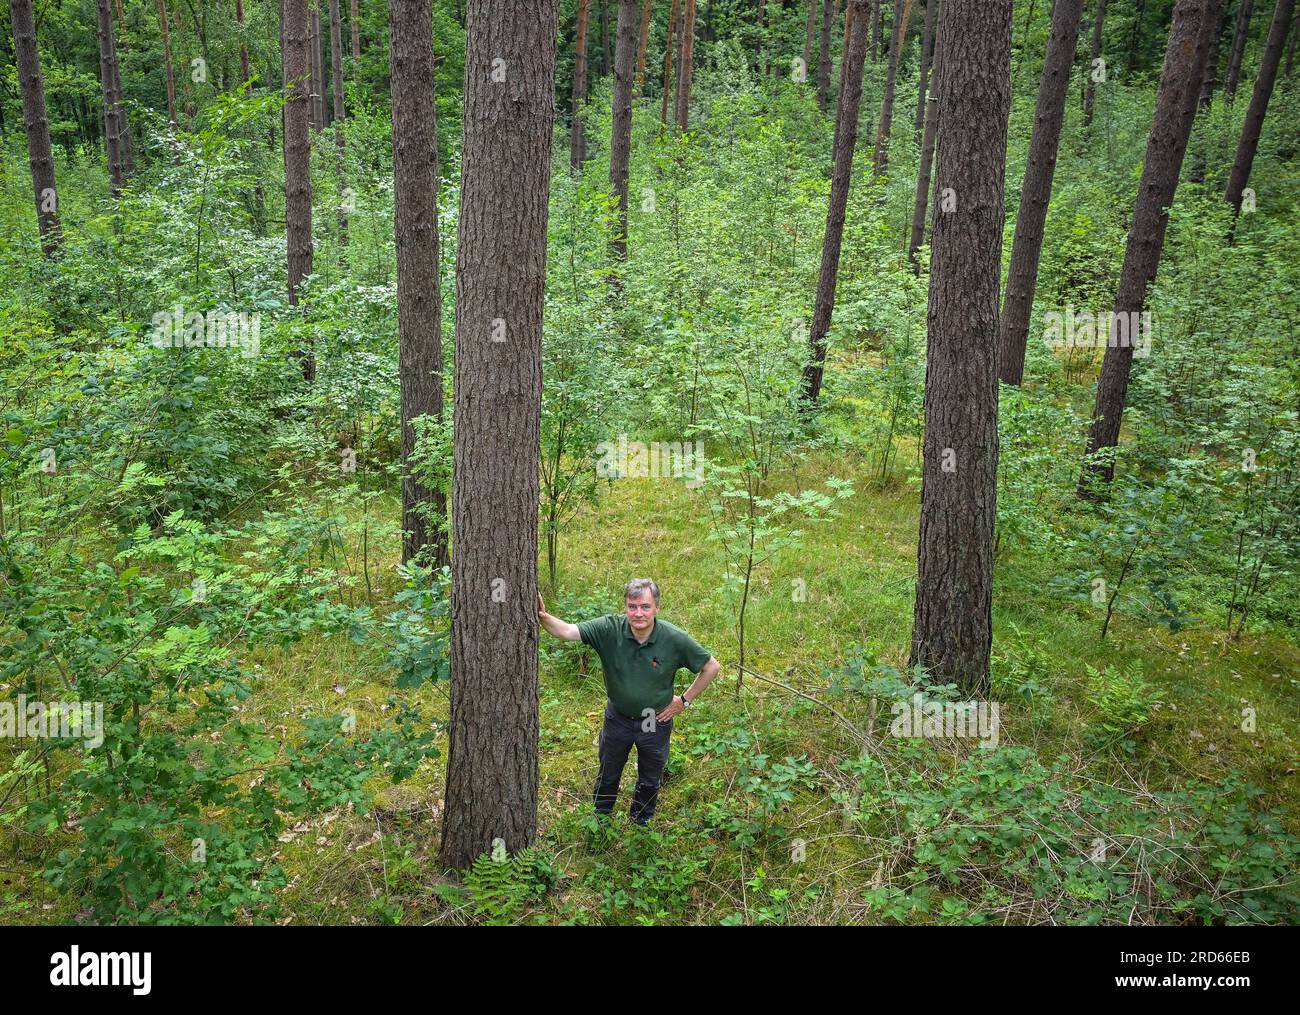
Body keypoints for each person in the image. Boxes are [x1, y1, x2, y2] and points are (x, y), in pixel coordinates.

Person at [538, 578, 721, 824]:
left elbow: (711, 667)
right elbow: (567, 631)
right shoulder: (609, 629)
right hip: (619, 718)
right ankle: (601, 822)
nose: (638, 613)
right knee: (609, 773)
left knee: (649, 776)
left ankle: (640, 824)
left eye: (645, 606)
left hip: (652, 720)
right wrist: (542, 615)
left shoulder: (674, 638)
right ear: (625, 607)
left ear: (657, 607)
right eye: (632, 606)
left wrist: (684, 701)